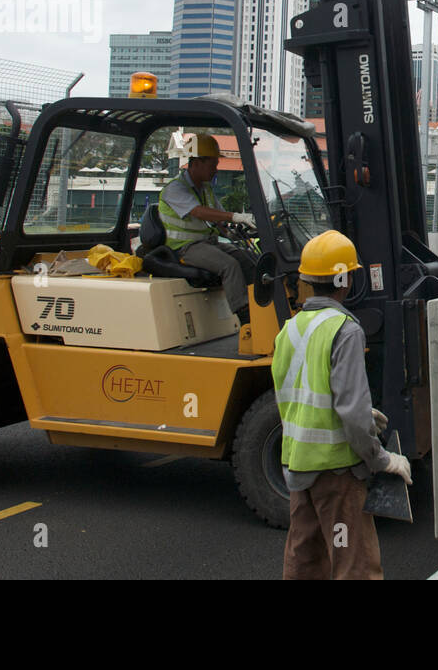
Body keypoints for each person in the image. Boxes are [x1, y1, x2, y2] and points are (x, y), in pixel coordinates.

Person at [273, 229, 413, 580]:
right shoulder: (345, 330)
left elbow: (303, 398)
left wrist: (361, 414)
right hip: (337, 472)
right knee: (354, 564)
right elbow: (350, 411)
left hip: (298, 466)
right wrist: (381, 459)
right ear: (344, 279)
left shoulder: (288, 330)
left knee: (305, 560)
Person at [158, 133, 258, 324]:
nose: (216, 170)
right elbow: (199, 212)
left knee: (248, 259)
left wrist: (234, 231)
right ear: (196, 163)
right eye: (213, 164)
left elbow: (218, 218)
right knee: (229, 266)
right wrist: (236, 216)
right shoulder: (175, 189)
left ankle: (260, 307)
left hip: (207, 243)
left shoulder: (206, 189)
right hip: (184, 247)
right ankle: (246, 320)